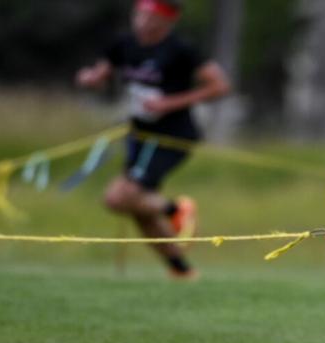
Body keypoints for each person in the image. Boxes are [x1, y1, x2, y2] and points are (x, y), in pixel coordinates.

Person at [76, 0, 231, 280]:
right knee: (138, 209)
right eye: (140, 14)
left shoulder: (181, 50)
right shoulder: (123, 44)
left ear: (167, 21)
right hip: (139, 135)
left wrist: (170, 103)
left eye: (151, 17)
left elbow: (220, 85)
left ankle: (176, 209)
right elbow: (101, 73)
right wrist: (89, 78)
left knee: (116, 199)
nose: (143, 21)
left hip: (172, 137)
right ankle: (180, 269)